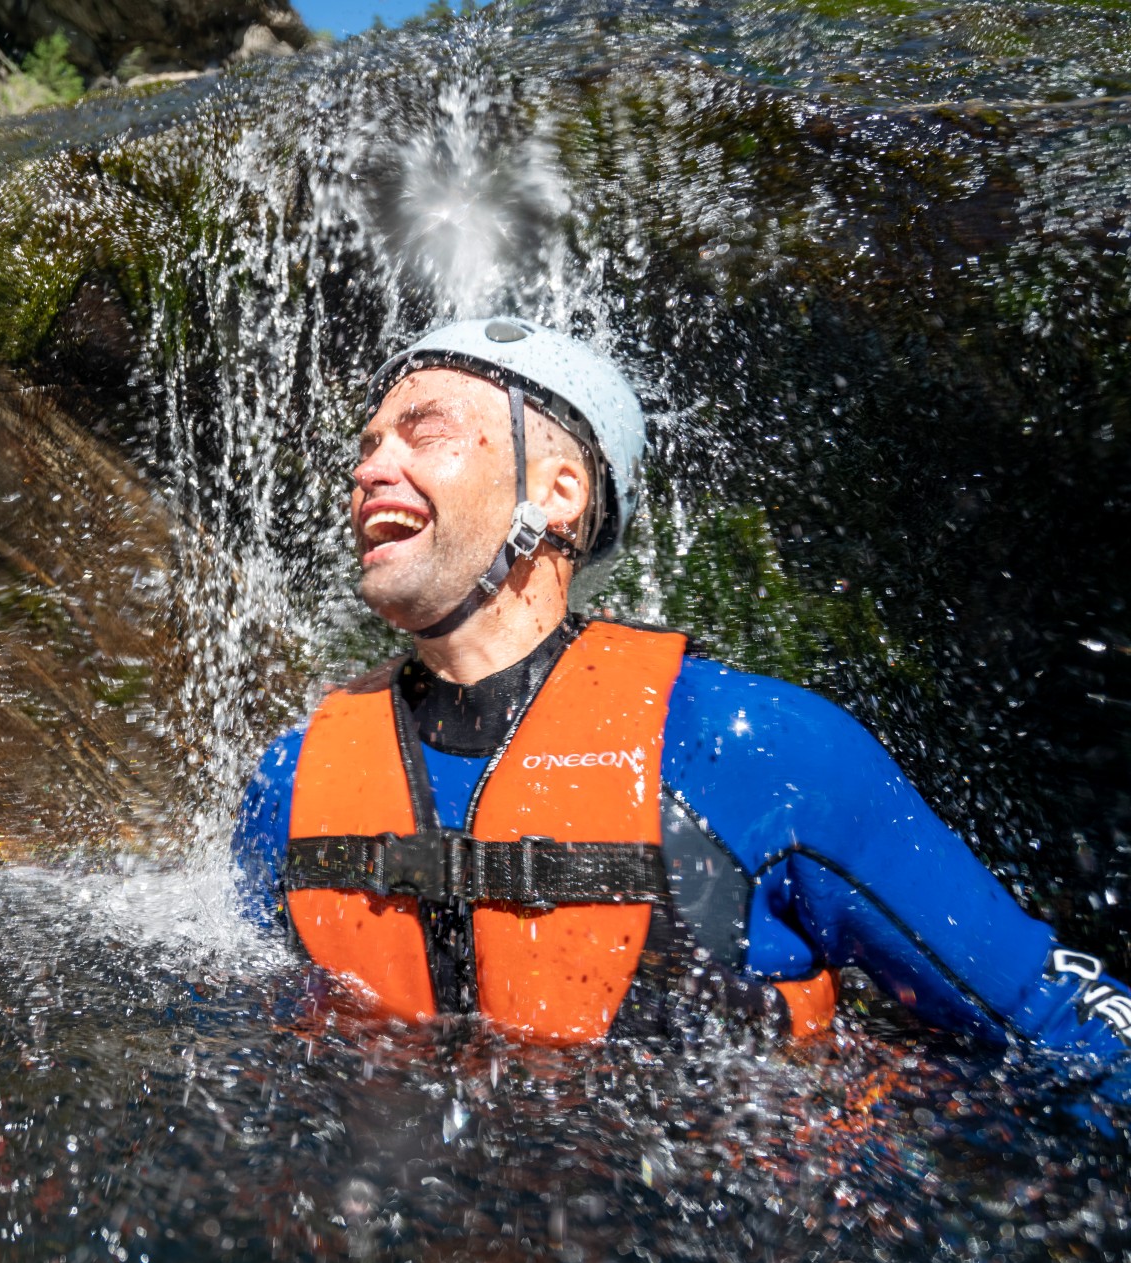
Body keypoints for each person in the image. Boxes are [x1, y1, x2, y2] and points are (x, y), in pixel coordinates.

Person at [234, 316, 1131, 1102]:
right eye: (368, 443)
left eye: (422, 432)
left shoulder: (761, 752)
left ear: (557, 493)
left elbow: (1064, 1030)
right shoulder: (290, 778)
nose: (369, 467)